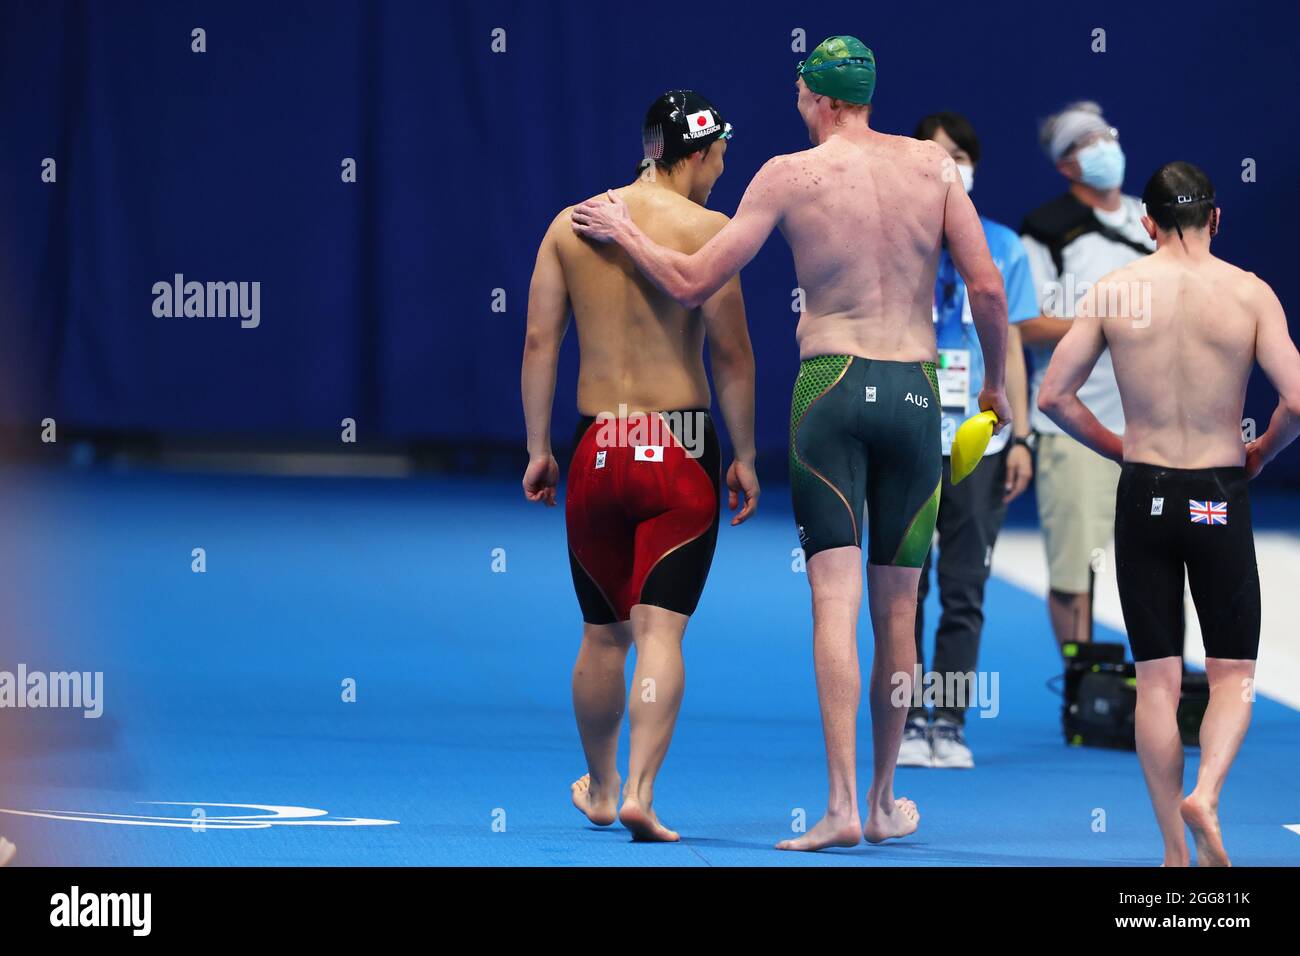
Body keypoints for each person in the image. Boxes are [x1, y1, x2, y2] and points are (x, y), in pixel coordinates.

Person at [572, 36, 1009, 850]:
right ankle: (881, 804)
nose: (797, 108)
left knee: (834, 606)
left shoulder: (787, 174)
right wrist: (997, 387)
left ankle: (839, 805)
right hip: (914, 392)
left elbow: (695, 280)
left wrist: (626, 233)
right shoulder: (933, 169)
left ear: (821, 99)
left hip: (830, 391)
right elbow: (985, 286)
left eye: (801, 96)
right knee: (900, 612)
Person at [1039, 161, 1300, 866]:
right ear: (1217, 218)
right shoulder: (1249, 294)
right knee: (1231, 673)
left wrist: (1120, 448)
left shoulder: (1119, 291)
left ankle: (1172, 856)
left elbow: (1054, 396)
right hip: (1219, 491)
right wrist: (1264, 452)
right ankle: (1207, 791)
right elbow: (1299, 402)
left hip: (1146, 490)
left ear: (1146, 223)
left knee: (1155, 677)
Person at [522, 90, 759, 842]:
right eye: (720, 156)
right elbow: (733, 356)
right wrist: (747, 454)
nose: (723, 171)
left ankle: (599, 785)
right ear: (694, 153)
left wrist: (538, 448)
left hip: (597, 445)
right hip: (679, 445)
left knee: (601, 635)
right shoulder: (710, 230)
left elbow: (538, 344)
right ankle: (643, 794)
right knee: (661, 635)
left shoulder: (570, 224)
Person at [899, 113, 1036, 769]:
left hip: (979, 435)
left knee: (964, 585)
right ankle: (903, 720)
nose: (948, 165)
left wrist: (1023, 438)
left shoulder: (1003, 245)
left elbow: (1013, 352)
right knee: (903, 585)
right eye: (935, 154)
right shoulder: (896, 240)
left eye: (959, 155)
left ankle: (947, 723)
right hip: (907, 430)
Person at [1019, 101, 1155, 651]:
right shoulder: (1047, 230)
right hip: (1073, 426)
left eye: (1106, 136)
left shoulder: (1153, 218)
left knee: (1157, 564)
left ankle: (1157, 683)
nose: (1103, 148)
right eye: (1085, 142)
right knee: (1076, 570)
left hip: (1153, 426)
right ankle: (1080, 681)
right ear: (1065, 165)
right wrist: (1105, 325)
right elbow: (1026, 323)